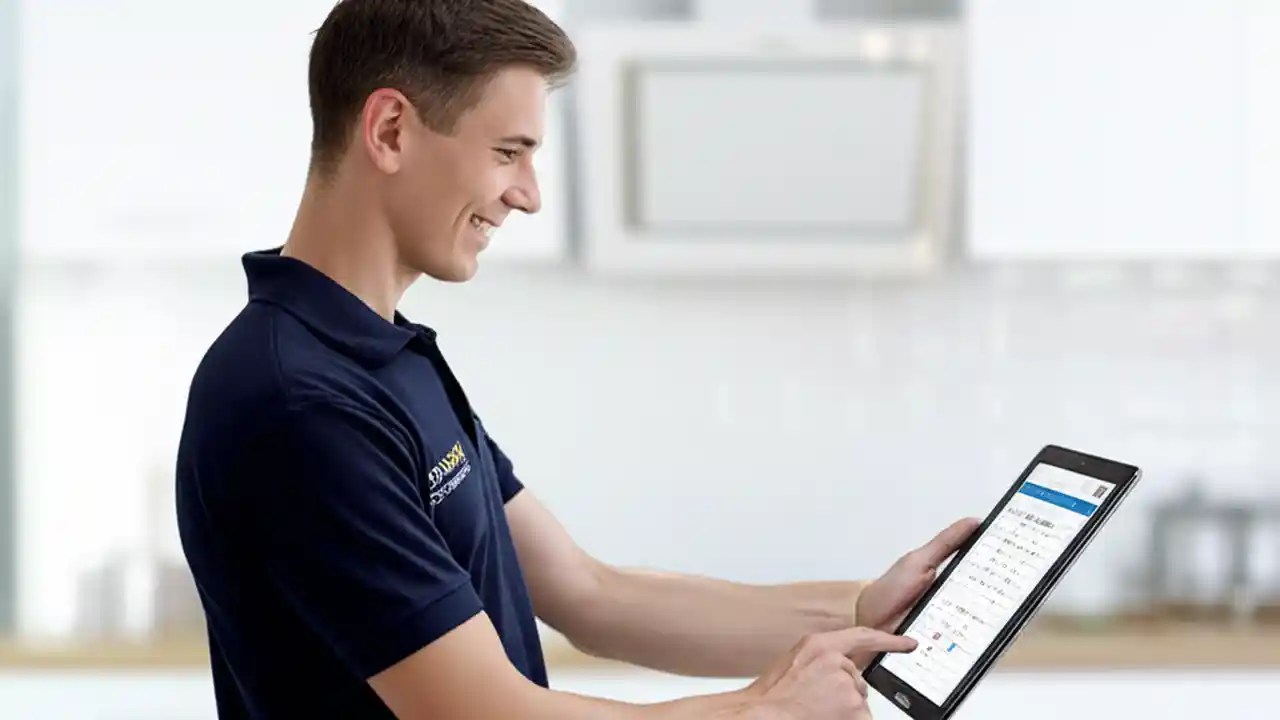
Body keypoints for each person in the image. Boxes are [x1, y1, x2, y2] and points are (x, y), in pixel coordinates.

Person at [174, 1, 979, 718]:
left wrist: (864, 610)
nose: (527, 193)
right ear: (390, 131)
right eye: (508, 151)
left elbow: (591, 595)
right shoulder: (300, 403)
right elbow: (483, 715)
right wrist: (762, 712)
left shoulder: (388, 358)